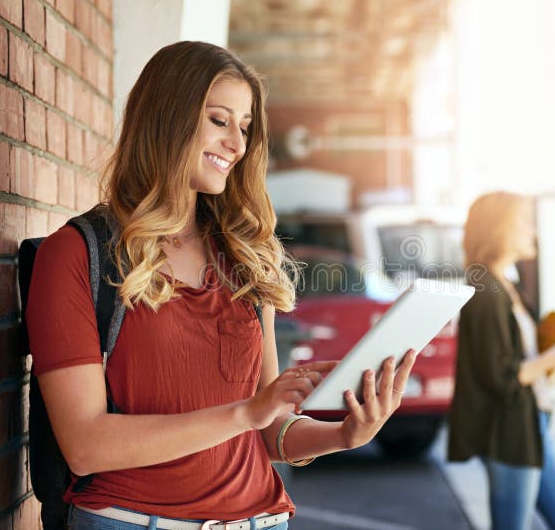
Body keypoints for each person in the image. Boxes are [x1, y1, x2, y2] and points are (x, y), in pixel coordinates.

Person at [26, 41, 417, 530]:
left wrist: (344, 435)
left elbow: (269, 428)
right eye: (219, 120)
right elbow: (85, 447)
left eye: (245, 126)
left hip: (261, 521)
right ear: (167, 119)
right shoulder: (77, 255)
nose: (237, 142)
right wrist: (245, 413)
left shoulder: (244, 258)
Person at [448, 192, 555, 530]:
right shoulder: (486, 292)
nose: (531, 231)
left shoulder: (505, 285)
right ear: (500, 230)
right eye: (523, 222)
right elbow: (501, 375)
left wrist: (551, 358)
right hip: (508, 431)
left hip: (530, 424)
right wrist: (551, 357)